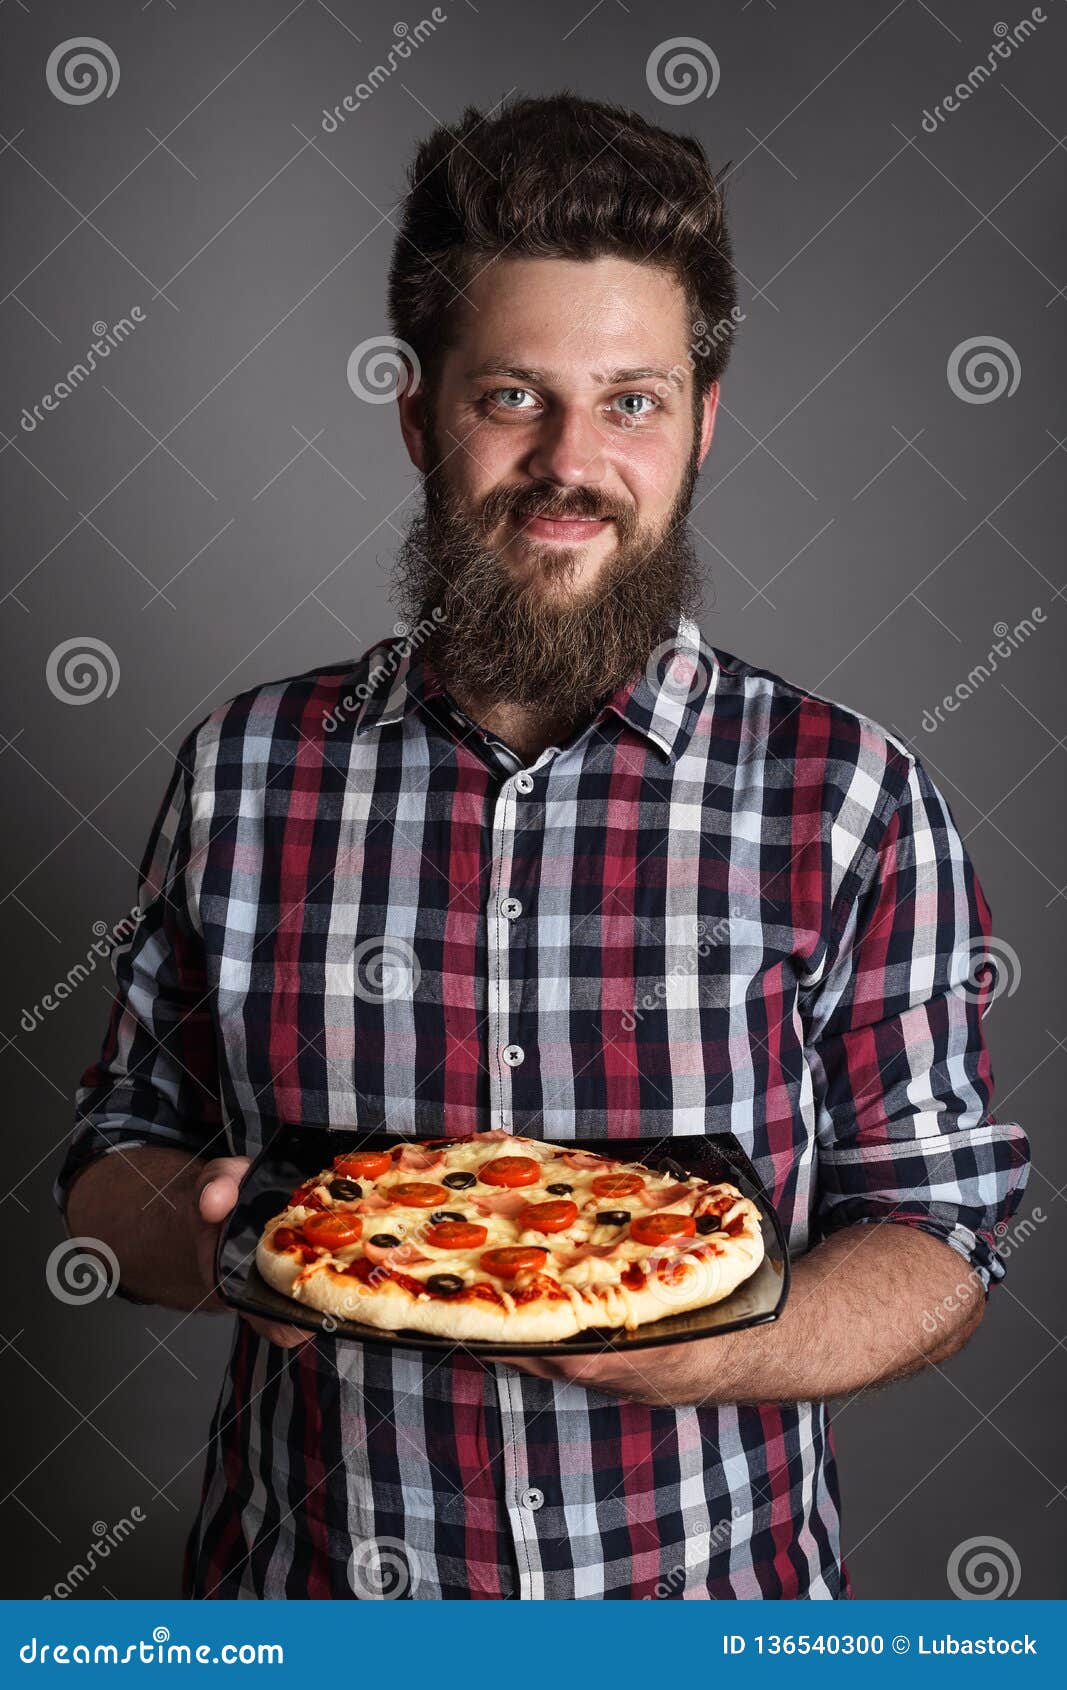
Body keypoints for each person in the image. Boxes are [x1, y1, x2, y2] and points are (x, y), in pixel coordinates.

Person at [58, 94, 1029, 1600]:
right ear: (419, 414)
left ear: (705, 420)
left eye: (631, 400)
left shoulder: (851, 796)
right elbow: (113, 1158)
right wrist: (214, 1243)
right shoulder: (245, 768)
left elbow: (947, 1234)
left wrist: (733, 1346)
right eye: (512, 396)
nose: (571, 463)